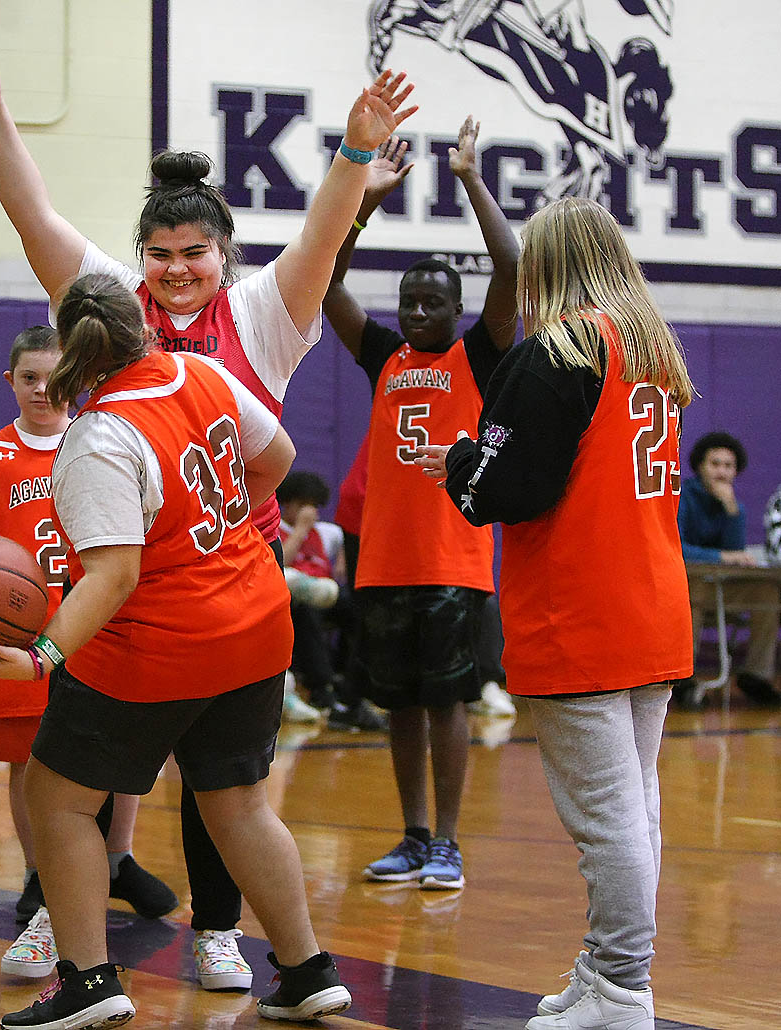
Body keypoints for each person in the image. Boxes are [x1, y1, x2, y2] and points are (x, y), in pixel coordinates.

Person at [0, 35, 416, 990]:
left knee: (159, 790)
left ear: (223, 253)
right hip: (174, 595)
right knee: (192, 787)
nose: (174, 269)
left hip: (188, 587)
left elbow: (323, 237)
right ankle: (118, 933)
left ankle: (207, 935)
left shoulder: (260, 313)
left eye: (193, 253)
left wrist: (355, 158)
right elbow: (30, 214)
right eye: (158, 254)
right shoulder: (113, 304)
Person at [0, 275, 353, 1029]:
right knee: (238, 802)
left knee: (57, 798)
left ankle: (87, 982)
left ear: (71, 348)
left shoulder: (97, 437)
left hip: (160, 644)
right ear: (142, 327)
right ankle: (306, 970)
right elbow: (278, 457)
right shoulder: (201, 371)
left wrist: (41, 654)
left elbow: (113, 574)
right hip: (257, 626)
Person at [421, 196, 694, 1030]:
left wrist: (461, 463)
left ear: (544, 264)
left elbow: (508, 488)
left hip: (583, 611)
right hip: (652, 605)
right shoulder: (652, 349)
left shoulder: (559, 350)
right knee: (634, 808)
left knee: (608, 818)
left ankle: (620, 986)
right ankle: (612, 972)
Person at [0, 327, 175, 978]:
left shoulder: (103, 436)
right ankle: (43, 876)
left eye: (53, 376)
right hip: (12, 636)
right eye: (29, 377)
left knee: (113, 760)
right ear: (8, 380)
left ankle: (115, 858)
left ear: (78, 376)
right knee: (23, 764)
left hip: (94, 624)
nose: (42, 389)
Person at [322, 119, 519, 890]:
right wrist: (363, 204)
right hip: (383, 560)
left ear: (456, 308)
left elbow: (509, 260)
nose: (416, 313)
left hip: (453, 561)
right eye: (408, 302)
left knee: (448, 703)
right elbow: (329, 282)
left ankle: (449, 841)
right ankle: (410, 836)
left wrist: (468, 176)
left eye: (432, 302)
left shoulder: (479, 352)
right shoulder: (383, 358)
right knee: (398, 704)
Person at [676, 431, 780, 707]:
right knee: (693, 590)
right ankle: (684, 679)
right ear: (700, 466)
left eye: (728, 466)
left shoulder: (734, 507)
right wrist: (721, 556)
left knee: (767, 592)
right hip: (686, 588)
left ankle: (757, 676)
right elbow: (677, 547)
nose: (722, 472)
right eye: (715, 464)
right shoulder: (683, 497)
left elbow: (737, 554)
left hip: (720, 589)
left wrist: (732, 510)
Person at [276, 470, 386, 731]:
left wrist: (343, 560)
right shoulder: (276, 530)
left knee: (361, 610)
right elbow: (281, 563)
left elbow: (348, 548)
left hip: (331, 594)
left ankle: (357, 682)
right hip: (293, 599)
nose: (309, 512)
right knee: (306, 609)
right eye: (303, 505)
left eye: (313, 506)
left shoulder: (327, 532)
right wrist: (301, 530)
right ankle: (321, 687)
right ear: (288, 504)